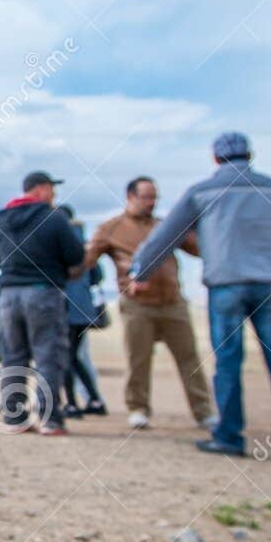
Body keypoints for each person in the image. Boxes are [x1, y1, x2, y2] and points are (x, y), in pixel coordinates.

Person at [131, 132, 271, 462]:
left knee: (228, 361)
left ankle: (229, 437)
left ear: (215, 159)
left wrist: (140, 272)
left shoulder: (202, 191)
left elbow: (166, 235)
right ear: (249, 156)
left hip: (227, 286)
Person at [82, 176, 214, 431]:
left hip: (173, 302)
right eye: (146, 197)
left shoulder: (165, 226)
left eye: (154, 197)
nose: (151, 202)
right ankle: (138, 409)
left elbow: (197, 249)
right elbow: (87, 260)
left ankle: (204, 412)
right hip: (137, 304)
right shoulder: (111, 228)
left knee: (190, 359)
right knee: (138, 360)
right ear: (130, 197)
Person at [0, 169, 85, 434]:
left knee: (12, 356)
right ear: (41, 190)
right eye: (52, 189)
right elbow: (76, 255)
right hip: (43, 293)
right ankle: (50, 419)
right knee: (47, 354)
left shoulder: (0, 220)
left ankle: (14, 417)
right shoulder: (53, 218)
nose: (54, 195)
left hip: (7, 296)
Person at [58, 205, 107, 418]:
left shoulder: (60, 242)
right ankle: (95, 399)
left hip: (65, 307)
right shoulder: (85, 244)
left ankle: (71, 404)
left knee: (66, 358)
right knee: (74, 356)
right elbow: (97, 275)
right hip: (84, 309)